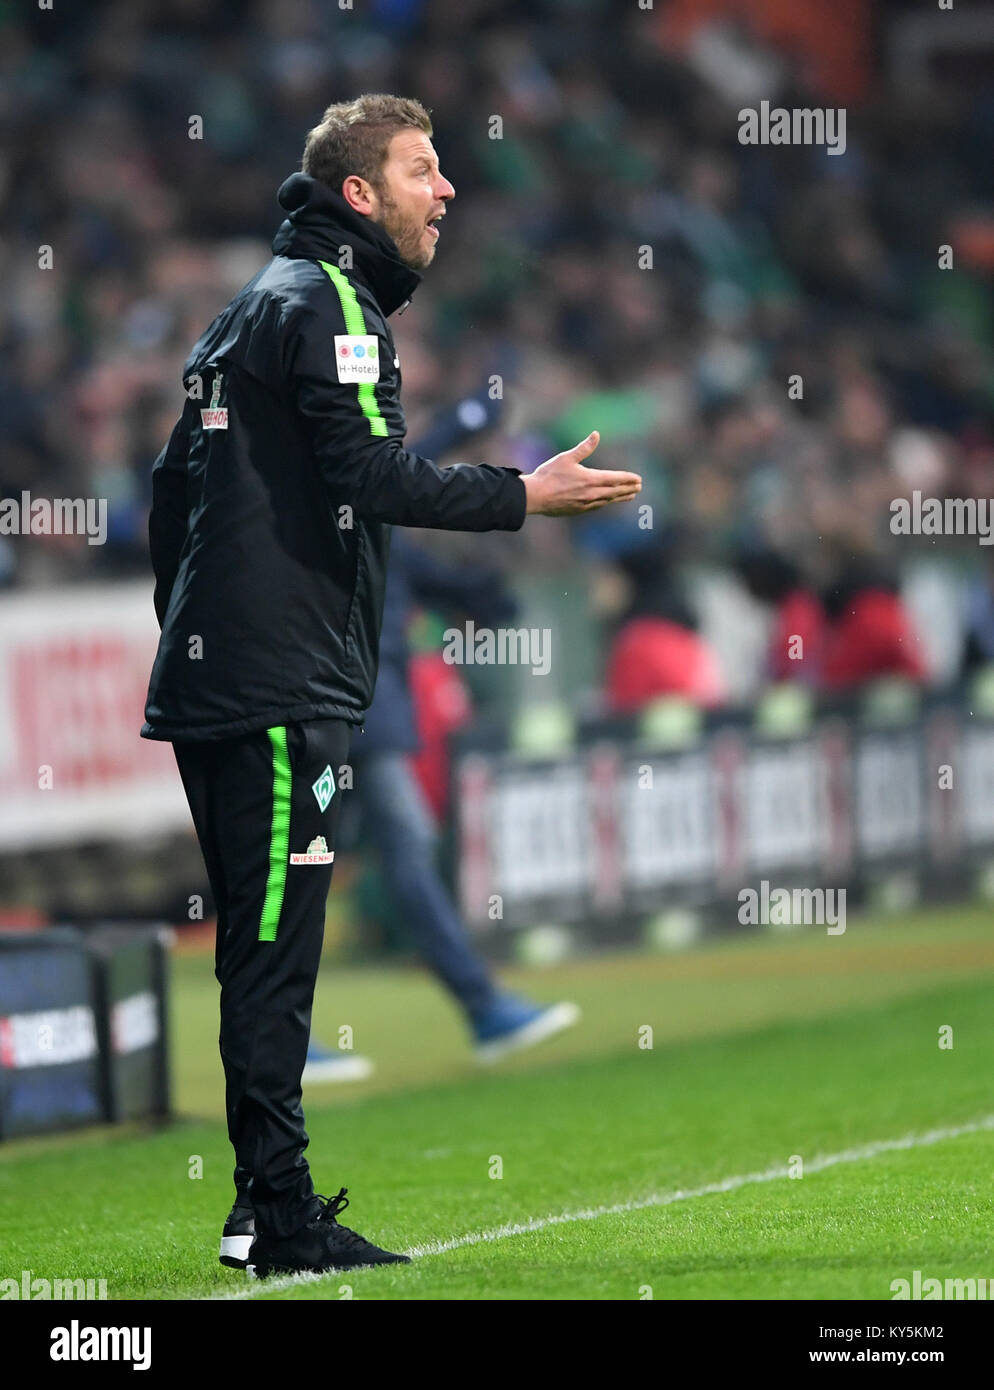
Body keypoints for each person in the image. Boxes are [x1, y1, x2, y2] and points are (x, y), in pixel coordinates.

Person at [141, 93, 641, 1279]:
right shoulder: (327, 303)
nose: (448, 188)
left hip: (240, 677)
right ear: (359, 193)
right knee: (274, 950)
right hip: (275, 686)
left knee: (263, 942)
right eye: (424, 169)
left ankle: (261, 1205)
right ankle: (282, 1219)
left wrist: (201, 630)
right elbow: (370, 473)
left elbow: (171, 493)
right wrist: (522, 495)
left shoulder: (249, 309)